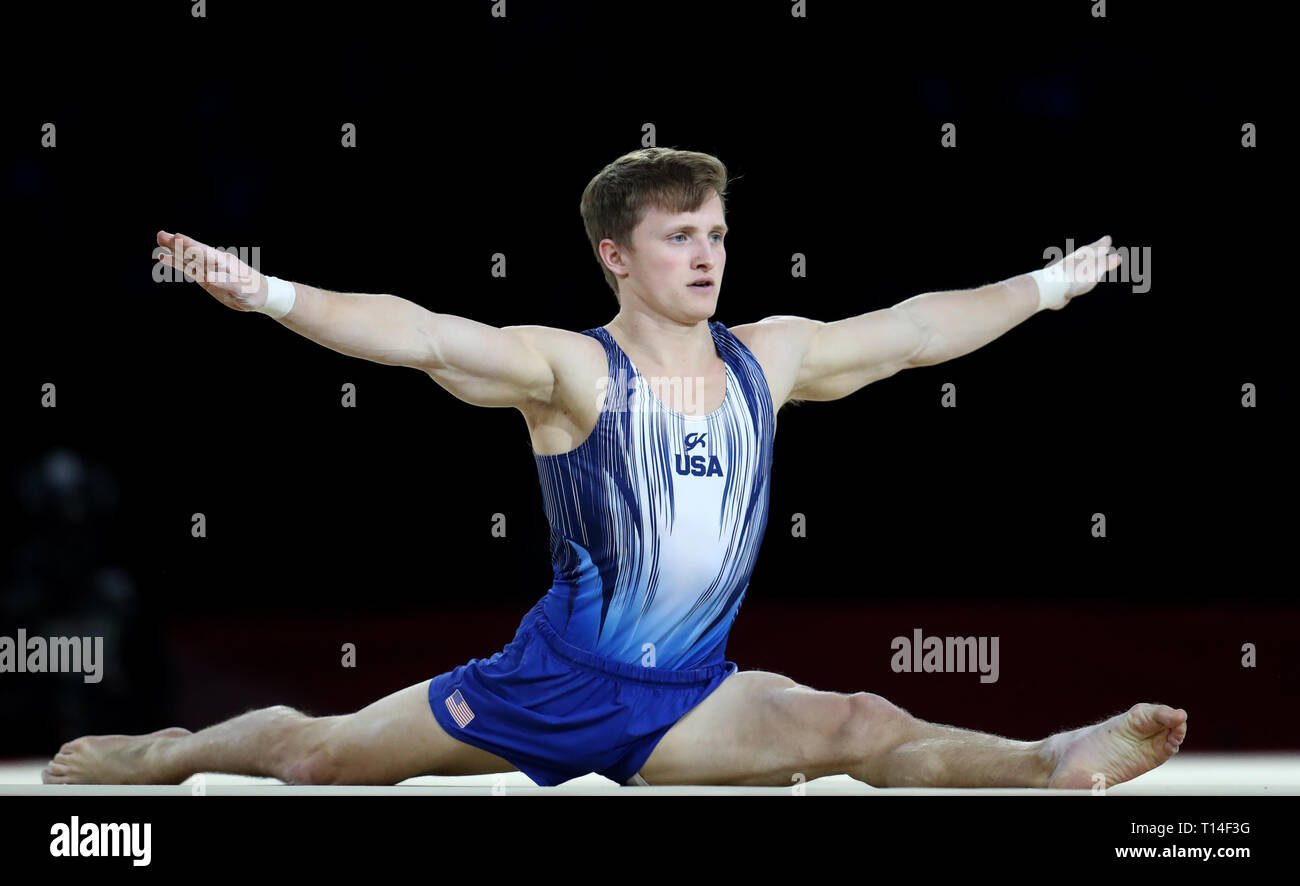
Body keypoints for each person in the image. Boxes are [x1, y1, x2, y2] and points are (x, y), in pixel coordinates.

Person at [44, 147, 1186, 789]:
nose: (706, 254)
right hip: (547, 680)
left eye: (717, 233)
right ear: (615, 257)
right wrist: (267, 293)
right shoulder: (570, 371)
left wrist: (1053, 285)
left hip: (686, 696)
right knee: (314, 754)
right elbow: (421, 333)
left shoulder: (767, 359)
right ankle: (168, 752)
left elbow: (917, 327)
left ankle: (1052, 761)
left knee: (854, 720)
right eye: (680, 235)